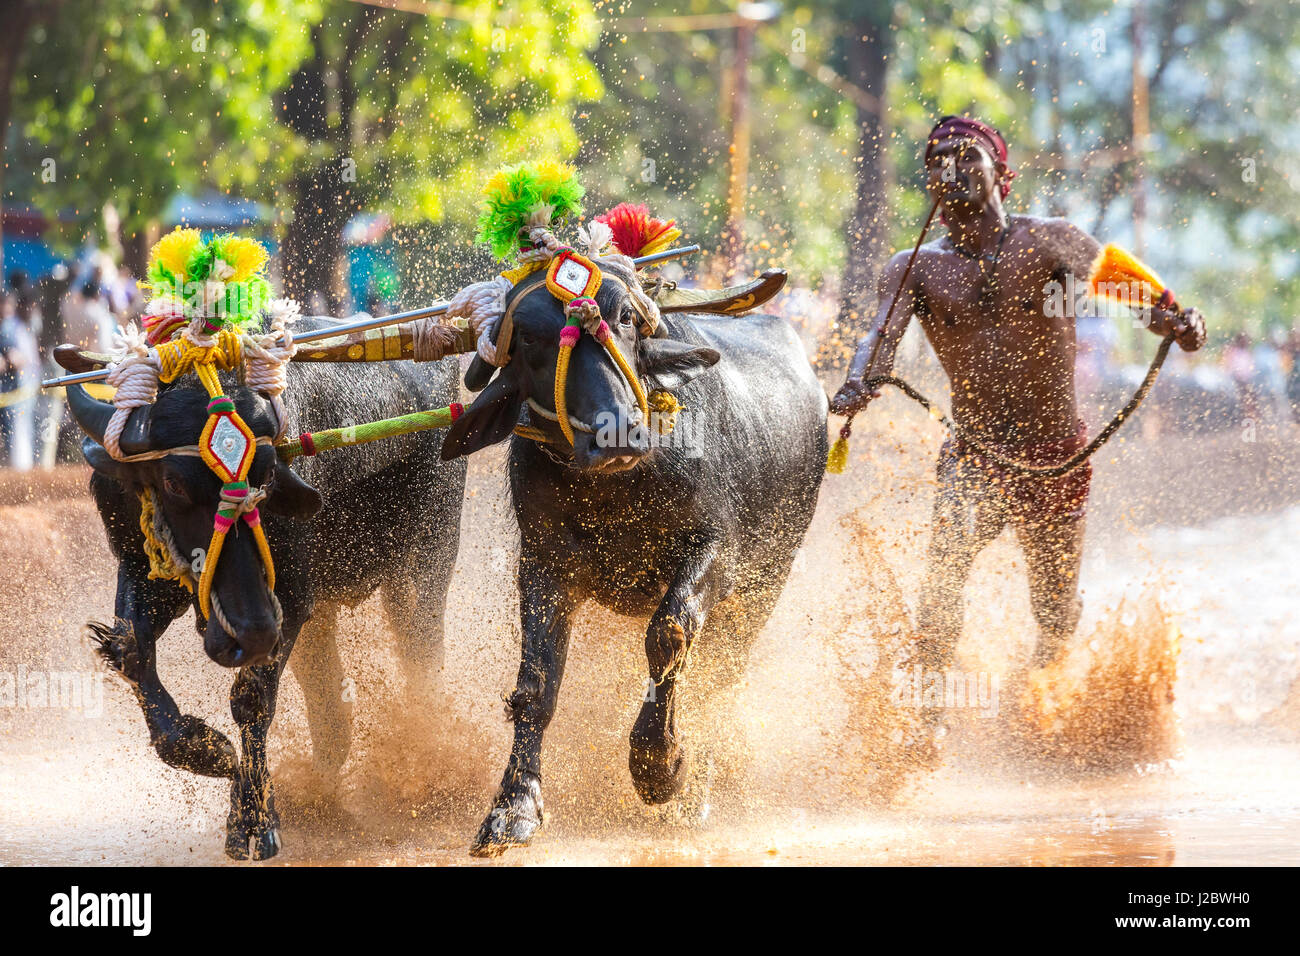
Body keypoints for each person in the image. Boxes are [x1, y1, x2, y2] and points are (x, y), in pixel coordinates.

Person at [831, 115, 1206, 675]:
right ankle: (925, 719)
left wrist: (1177, 322)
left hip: (1057, 453)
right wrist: (859, 382)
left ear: (1001, 173)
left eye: (965, 156)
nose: (949, 168)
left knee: (1054, 611)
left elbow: (1139, 299)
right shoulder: (914, 268)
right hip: (974, 452)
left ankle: (1041, 698)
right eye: (935, 162)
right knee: (940, 586)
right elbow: (878, 338)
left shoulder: (1052, 239)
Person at [0, 291, 42, 470]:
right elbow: (12, 357)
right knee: (17, 428)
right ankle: (19, 469)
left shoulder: (24, 326)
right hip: (15, 387)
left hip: (27, 386)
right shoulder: (10, 327)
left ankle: (24, 467)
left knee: (25, 427)